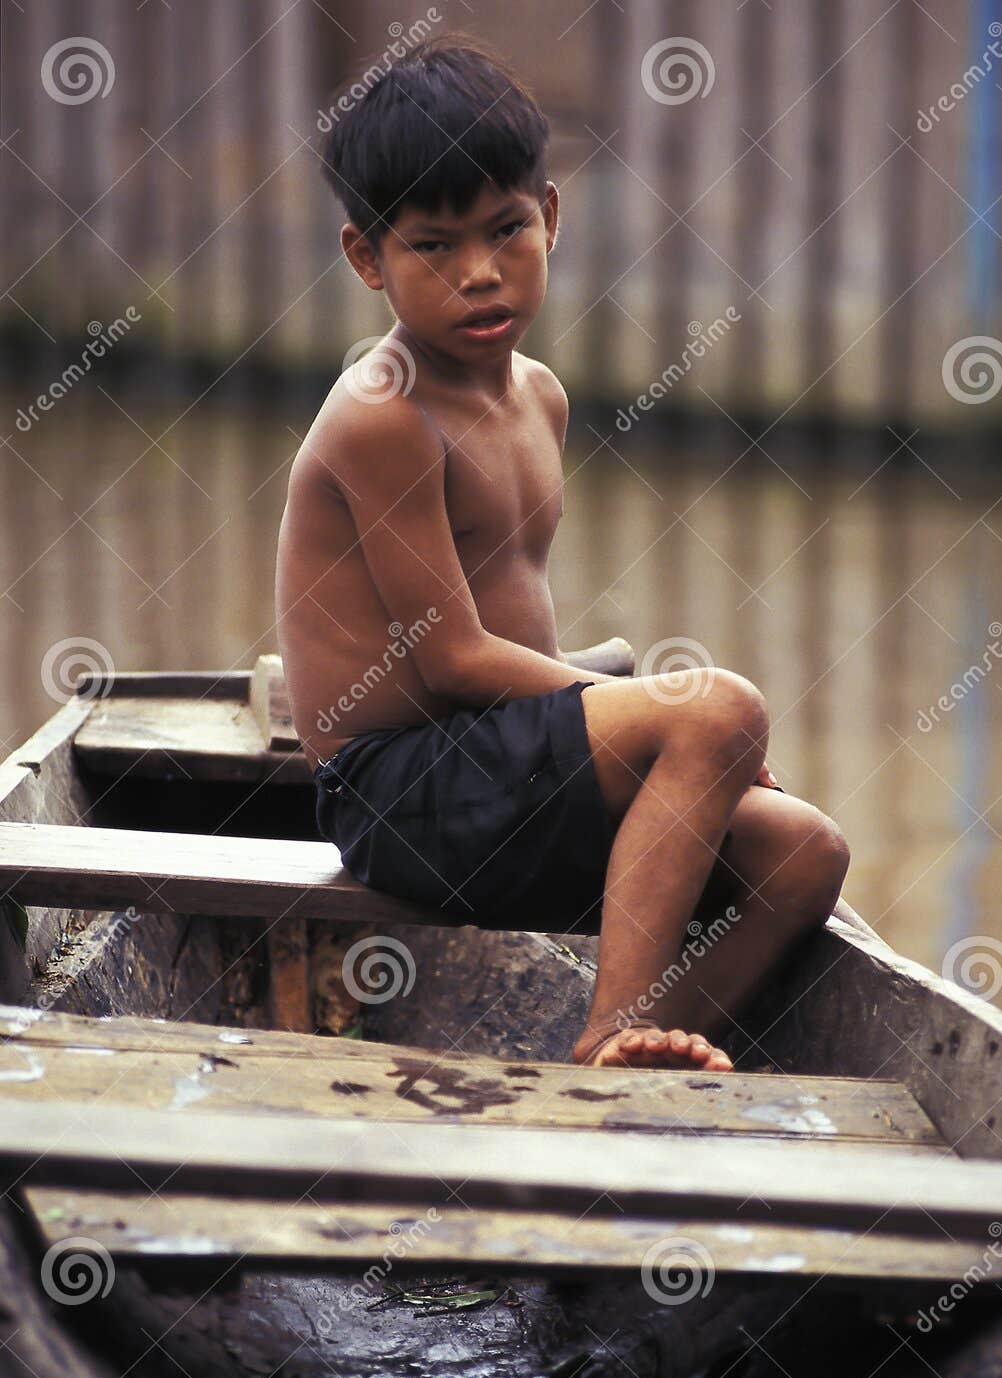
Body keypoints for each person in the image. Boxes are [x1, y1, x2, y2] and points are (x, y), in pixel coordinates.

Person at [276, 39, 850, 1071]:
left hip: (496, 770)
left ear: (551, 213)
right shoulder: (382, 413)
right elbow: (450, 660)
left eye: (505, 229)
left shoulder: (539, 394)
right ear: (368, 259)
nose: (480, 272)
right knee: (716, 710)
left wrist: (635, 700)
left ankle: (643, 1034)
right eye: (433, 246)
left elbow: (507, 666)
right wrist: (688, 720)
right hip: (400, 796)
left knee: (806, 852)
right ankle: (610, 1024)